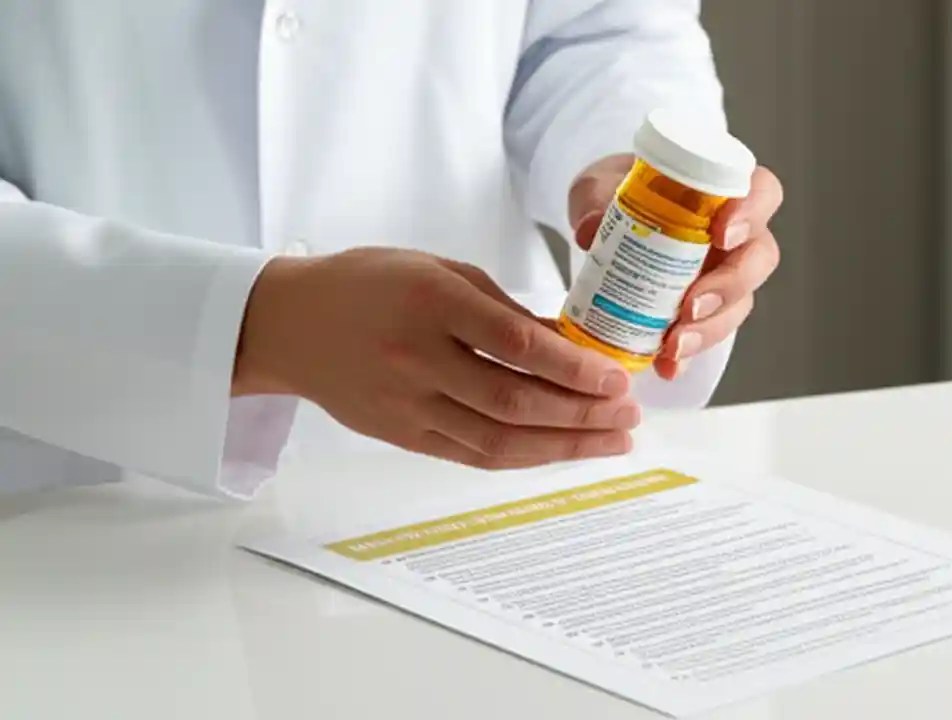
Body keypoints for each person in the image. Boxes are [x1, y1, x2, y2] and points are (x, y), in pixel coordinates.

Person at [0, 1, 782, 498]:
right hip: (66, 497)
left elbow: (594, 26)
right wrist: (247, 327)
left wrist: (632, 167)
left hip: (461, 498)